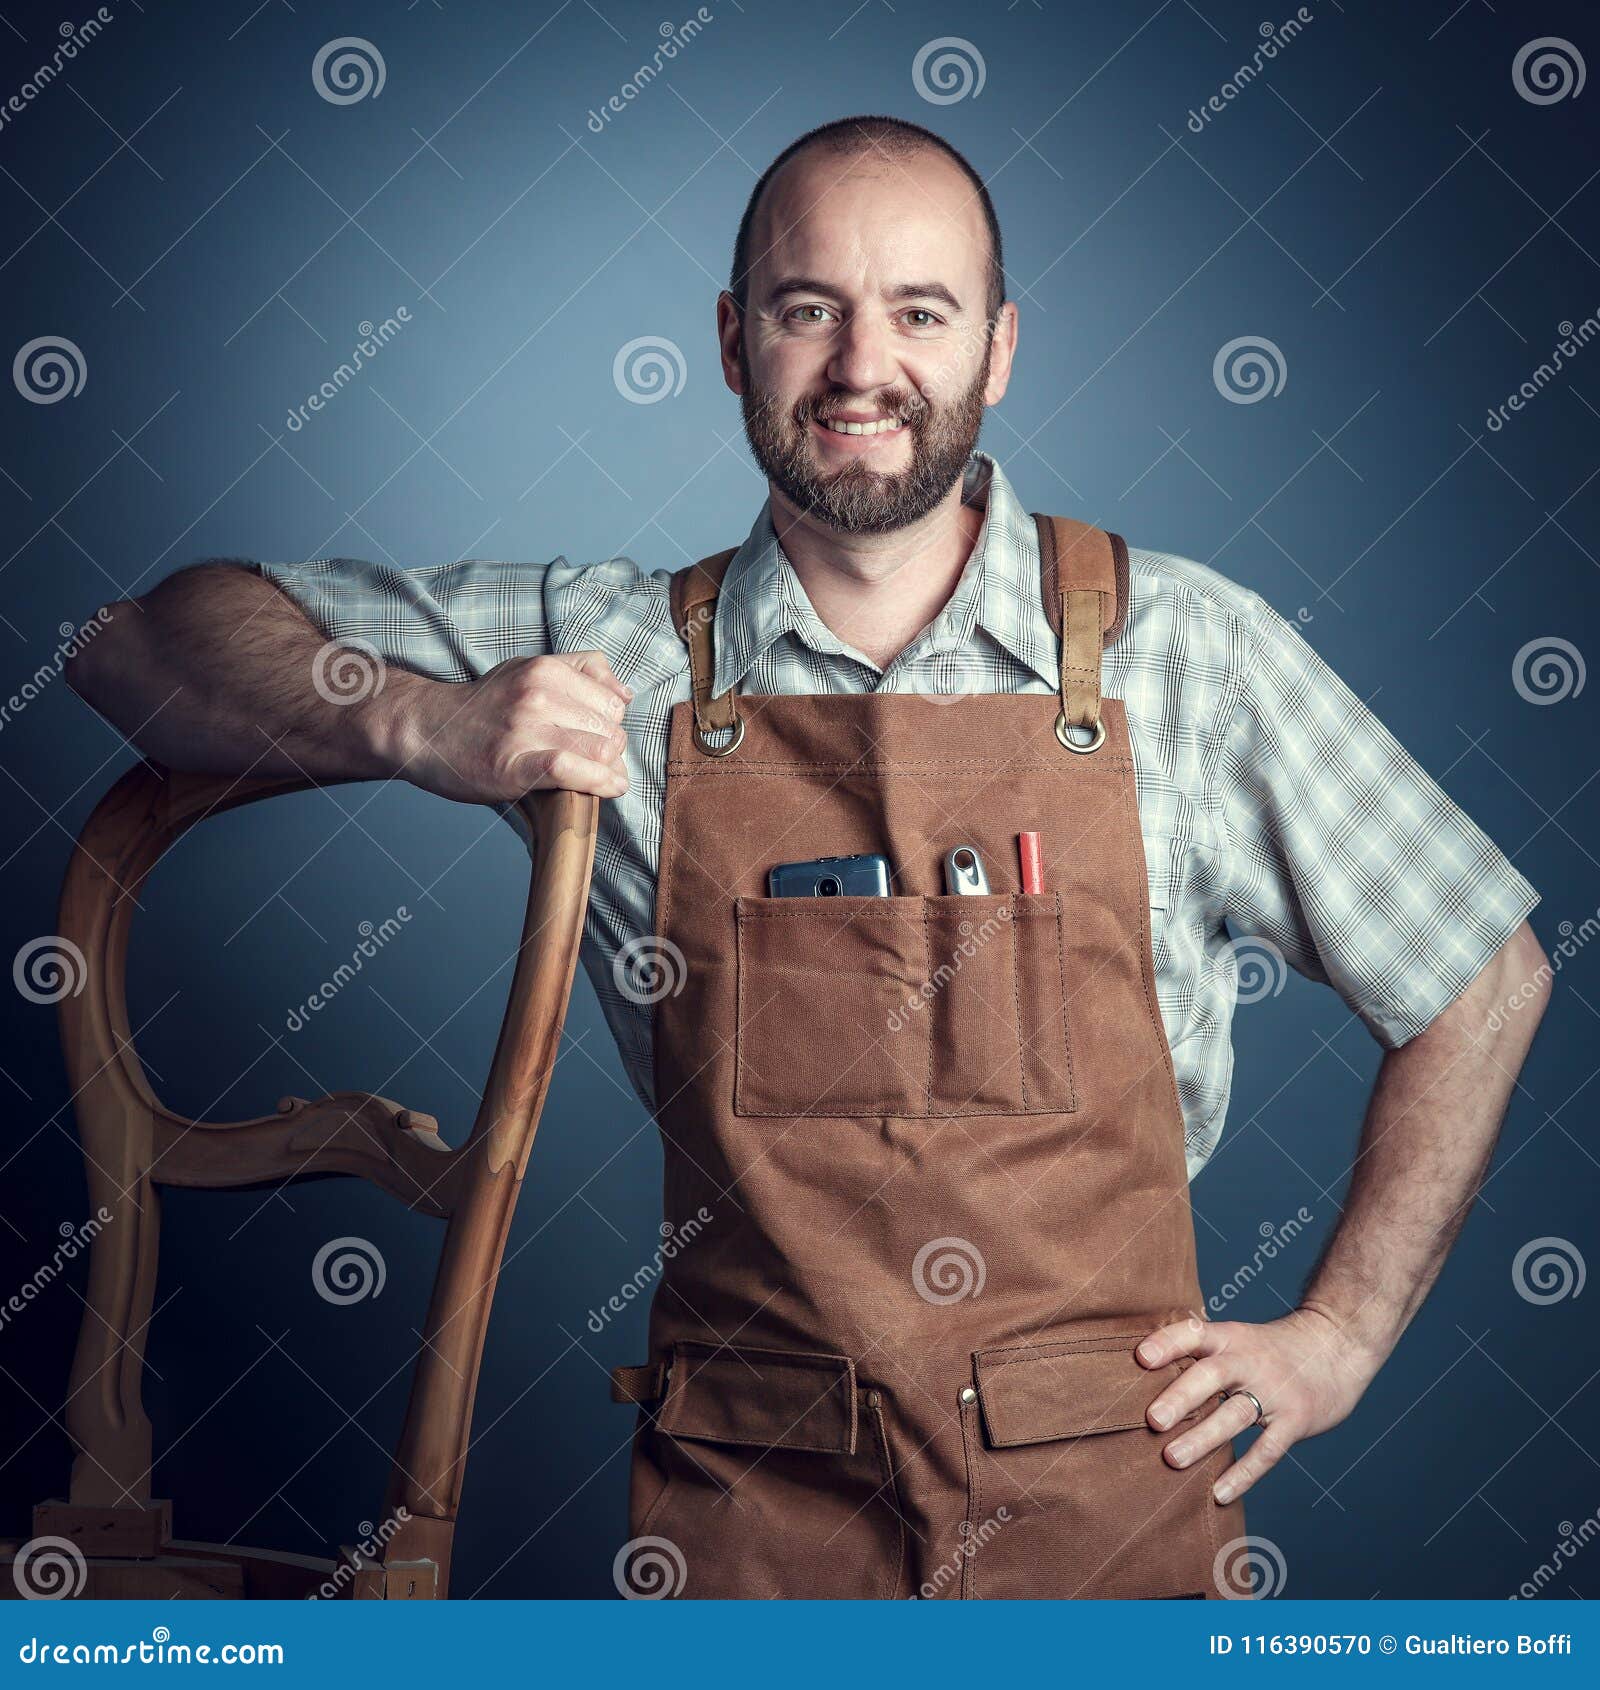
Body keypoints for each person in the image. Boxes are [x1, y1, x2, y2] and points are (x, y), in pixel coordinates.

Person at [66, 114, 1549, 1600]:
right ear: (732, 341)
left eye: (920, 311)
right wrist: (428, 723)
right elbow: (137, 646)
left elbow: (1480, 975)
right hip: (747, 1523)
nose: (861, 367)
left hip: (1109, 1516)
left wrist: (1339, 1335)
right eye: (806, 310)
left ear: (1000, 347)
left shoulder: (1185, 652)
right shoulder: (620, 652)